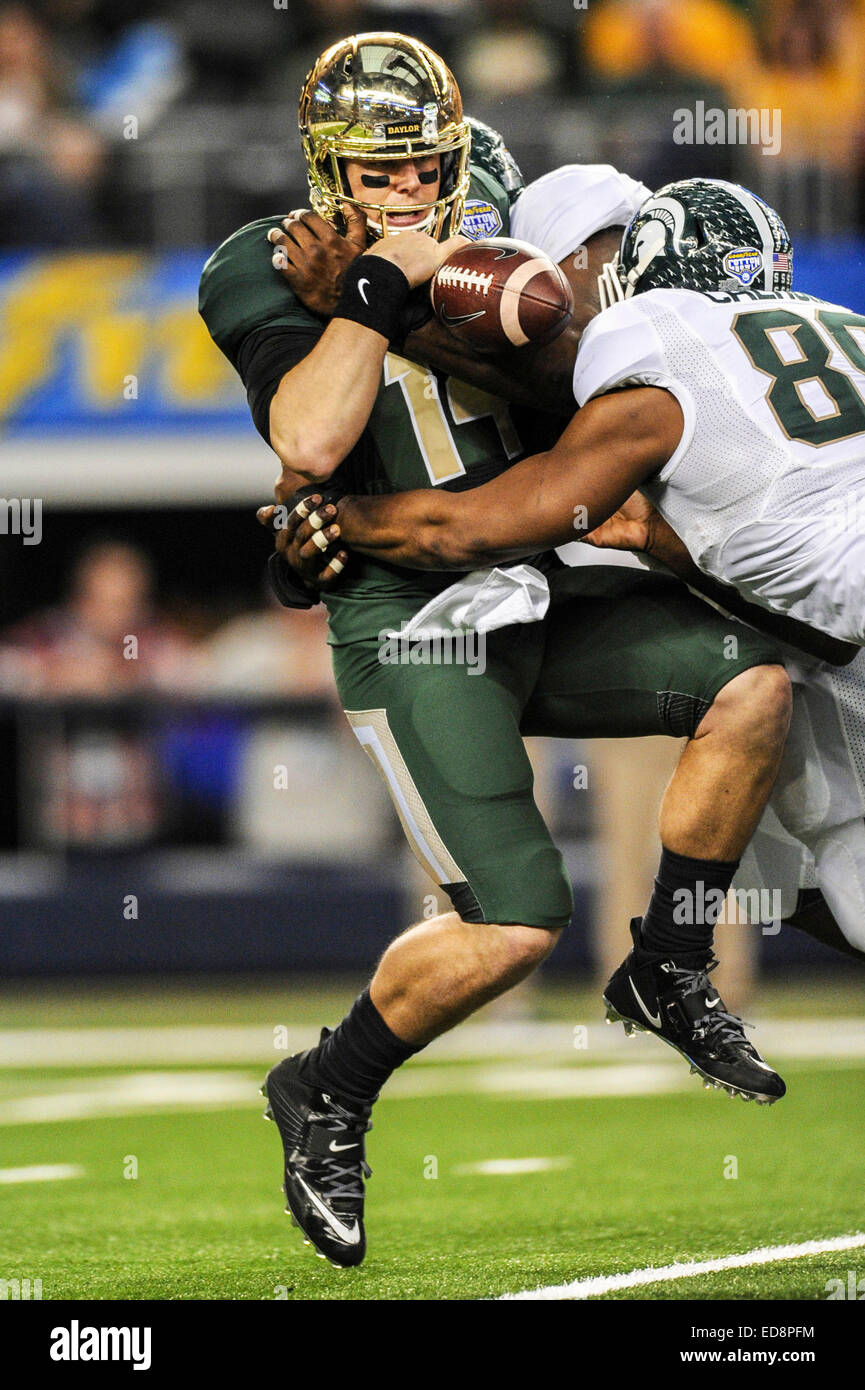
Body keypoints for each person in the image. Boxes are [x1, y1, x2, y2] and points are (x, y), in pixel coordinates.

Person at [201, 34, 791, 1270]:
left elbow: (574, 414)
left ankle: (673, 961)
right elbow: (311, 439)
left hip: (540, 585)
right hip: (414, 622)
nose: (409, 189)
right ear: (326, 171)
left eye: (424, 164)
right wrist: (363, 294)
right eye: (380, 170)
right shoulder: (262, 262)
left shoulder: (501, 248)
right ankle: (329, 1083)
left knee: (753, 682)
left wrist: (428, 286)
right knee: (514, 921)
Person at [312, 175, 865, 964]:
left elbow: (482, 514)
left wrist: (337, 515)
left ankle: (664, 966)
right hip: (824, 627)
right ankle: (669, 966)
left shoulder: (652, 331)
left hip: (809, 609)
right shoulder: (838, 322)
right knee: (815, 862)